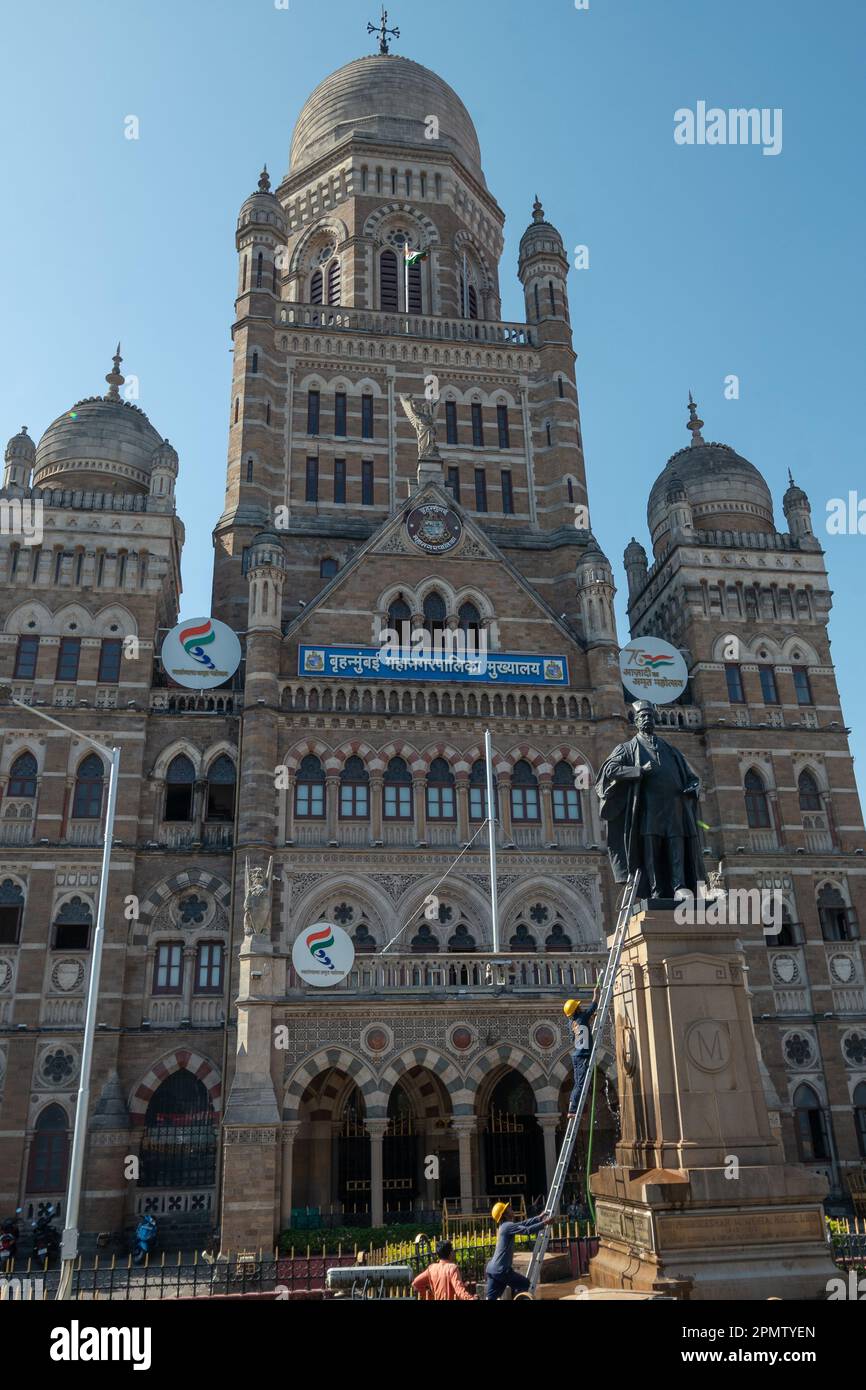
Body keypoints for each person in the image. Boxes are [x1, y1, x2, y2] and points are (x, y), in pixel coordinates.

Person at [595, 700, 702, 901]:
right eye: (643, 716)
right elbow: (609, 771)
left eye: (650, 716)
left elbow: (692, 777)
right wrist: (638, 771)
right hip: (647, 810)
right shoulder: (627, 748)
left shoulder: (670, 749)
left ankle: (679, 886)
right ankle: (656, 890)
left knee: (676, 847)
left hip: (674, 809)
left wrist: (694, 786)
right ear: (635, 721)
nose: (647, 719)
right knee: (651, 851)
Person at [485, 1202, 551, 1301]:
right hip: (502, 1270)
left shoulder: (505, 1226)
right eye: (509, 1209)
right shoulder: (507, 1226)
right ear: (505, 1214)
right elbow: (527, 1230)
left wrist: (538, 1218)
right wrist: (545, 1223)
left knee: (491, 1298)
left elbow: (523, 1224)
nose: (512, 1209)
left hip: (492, 1269)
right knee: (525, 1283)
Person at [564, 987, 600, 1118]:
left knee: (577, 1083)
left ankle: (572, 1106)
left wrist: (589, 1020)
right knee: (580, 1084)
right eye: (578, 1007)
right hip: (583, 1056)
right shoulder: (583, 1017)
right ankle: (572, 1110)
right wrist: (596, 993)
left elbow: (577, 1035)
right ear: (576, 1009)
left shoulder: (572, 1023)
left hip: (577, 1055)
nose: (580, 1007)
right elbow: (594, 1005)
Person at [412, 1240, 476, 1301]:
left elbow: (416, 1284)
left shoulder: (432, 1268)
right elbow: (459, 1290)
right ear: (450, 1253)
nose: (454, 1252)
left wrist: (430, 1297)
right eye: (452, 1250)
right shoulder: (452, 1268)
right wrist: (470, 1298)